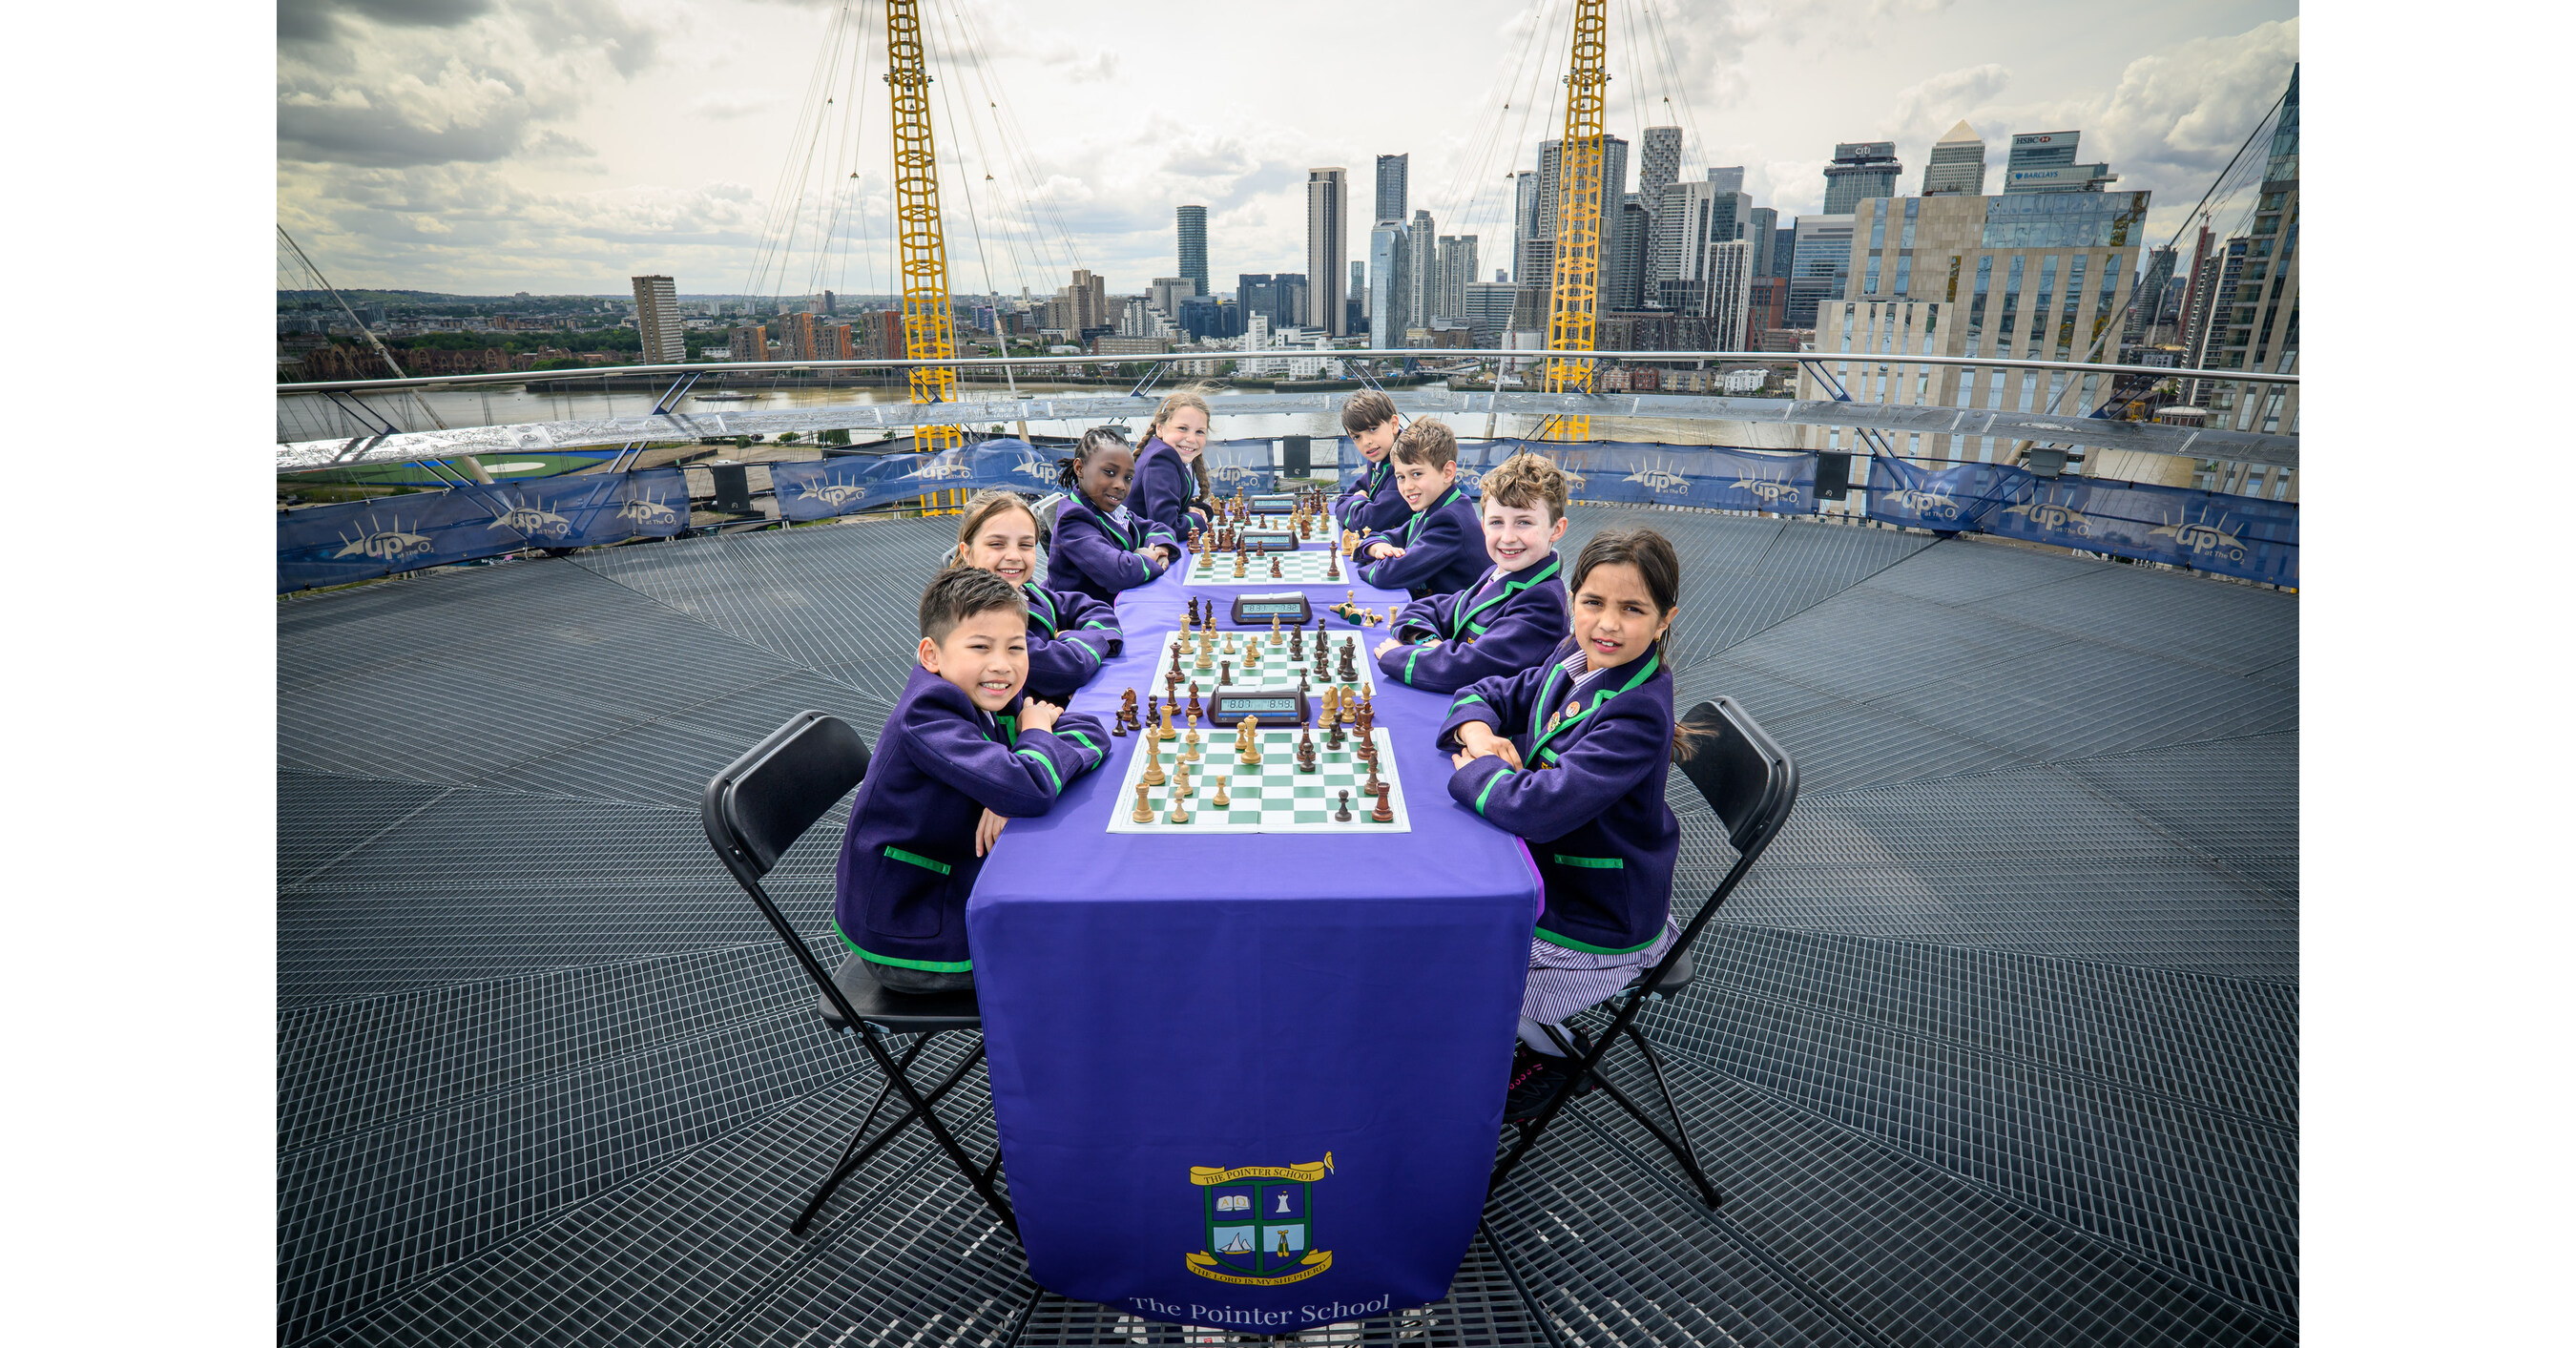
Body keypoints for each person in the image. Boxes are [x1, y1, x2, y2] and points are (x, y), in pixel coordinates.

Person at [1432, 527, 1701, 1119]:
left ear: (1664, 620)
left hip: (1596, 914)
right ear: (1572, 600)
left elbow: (1539, 809)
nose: (1607, 624)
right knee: (1443, 940)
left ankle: (1557, 1052)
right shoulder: (1572, 657)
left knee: (1455, 980)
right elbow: (1492, 690)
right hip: (1557, 869)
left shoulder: (1638, 715)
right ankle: (1533, 1036)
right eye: (1593, 602)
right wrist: (1477, 730)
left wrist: (1477, 770)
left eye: (1633, 609)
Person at [835, 568, 1110, 993]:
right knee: (1084, 949)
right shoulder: (927, 713)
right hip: (916, 929)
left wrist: (1009, 784)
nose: (1001, 664)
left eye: (1016, 647)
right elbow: (1031, 788)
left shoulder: (988, 690)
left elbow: (1091, 731)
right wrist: (1030, 748)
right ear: (932, 655)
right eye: (980, 647)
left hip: (958, 878)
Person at [1371, 452, 1571, 694]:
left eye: (1524, 522)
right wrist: (1428, 643)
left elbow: (1467, 669)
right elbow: (1427, 609)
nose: (1508, 537)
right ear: (1483, 525)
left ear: (1556, 529)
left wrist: (1397, 657)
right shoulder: (1497, 573)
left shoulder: (1543, 603)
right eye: (1497, 522)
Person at [946, 487, 1123, 701]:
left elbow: (1091, 608)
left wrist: (1067, 640)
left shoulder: (1024, 588)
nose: (1014, 556)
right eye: (996, 544)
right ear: (967, 553)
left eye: (1025, 545)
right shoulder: (980, 615)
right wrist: (1070, 639)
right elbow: (1070, 669)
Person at [1354, 418, 1485, 600]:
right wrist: (1376, 548)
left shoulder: (1450, 522)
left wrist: (1374, 560)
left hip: (1457, 616)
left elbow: (1386, 575)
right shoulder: (1436, 507)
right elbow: (1387, 537)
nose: (1407, 487)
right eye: (1400, 477)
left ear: (1447, 473)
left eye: (1416, 474)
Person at [1049, 426, 1180, 605]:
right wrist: (1146, 559)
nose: (1120, 485)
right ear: (1080, 468)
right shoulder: (1073, 520)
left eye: (1128, 478)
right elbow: (1118, 573)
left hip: (1119, 602)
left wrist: (1161, 548)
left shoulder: (1109, 510)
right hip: (1085, 615)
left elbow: (1157, 527)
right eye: (1109, 472)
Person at [1129, 385, 1216, 541]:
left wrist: (1192, 510)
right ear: (1160, 429)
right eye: (1182, 428)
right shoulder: (1162, 459)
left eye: (1199, 431)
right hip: (1140, 545)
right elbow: (1166, 526)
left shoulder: (1164, 452)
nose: (1191, 439)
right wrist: (1197, 520)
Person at [1328, 389, 1410, 534]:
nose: (1366, 442)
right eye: (1356, 437)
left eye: (1372, 429)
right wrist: (1360, 504)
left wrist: (1359, 499)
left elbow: (1365, 523)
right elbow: (1340, 503)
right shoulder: (1378, 459)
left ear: (1393, 424)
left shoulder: (1407, 464)